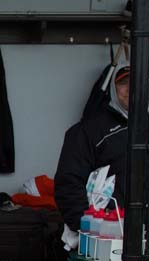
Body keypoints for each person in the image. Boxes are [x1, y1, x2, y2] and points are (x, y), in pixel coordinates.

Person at [55, 65, 130, 242]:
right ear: (113, 87)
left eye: (138, 82)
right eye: (124, 83)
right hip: (106, 236)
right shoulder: (88, 130)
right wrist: (88, 228)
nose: (131, 89)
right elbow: (68, 184)